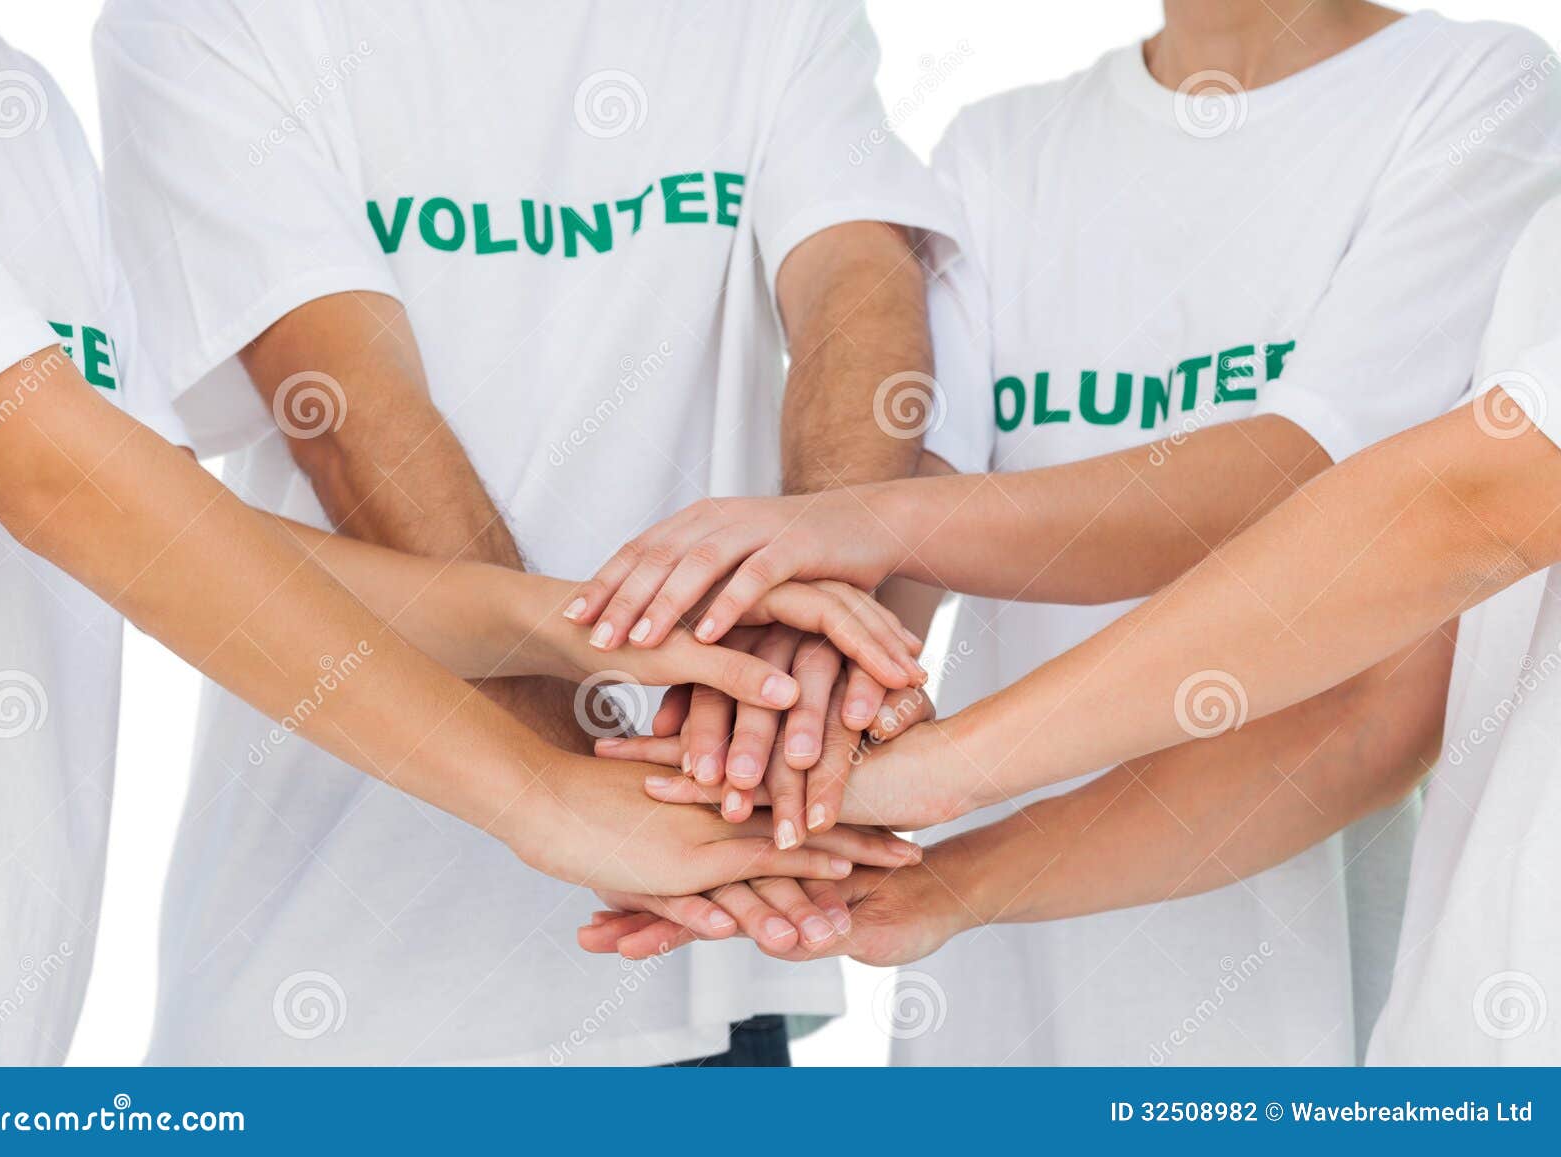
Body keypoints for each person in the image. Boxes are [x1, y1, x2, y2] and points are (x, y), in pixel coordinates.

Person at [577, 1, 1561, 1063]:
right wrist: (785, 739)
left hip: (1282, 976)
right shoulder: (998, 145)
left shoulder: (1476, 86)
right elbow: (895, 555)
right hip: (988, 961)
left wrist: (859, 562)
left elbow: (1311, 479)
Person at [0, 13, 919, 1067]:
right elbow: (81, 471)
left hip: (696, 976)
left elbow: (174, 520)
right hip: (339, 1001)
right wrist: (575, 784)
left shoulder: (14, 112)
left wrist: (670, 645)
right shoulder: (200, 26)